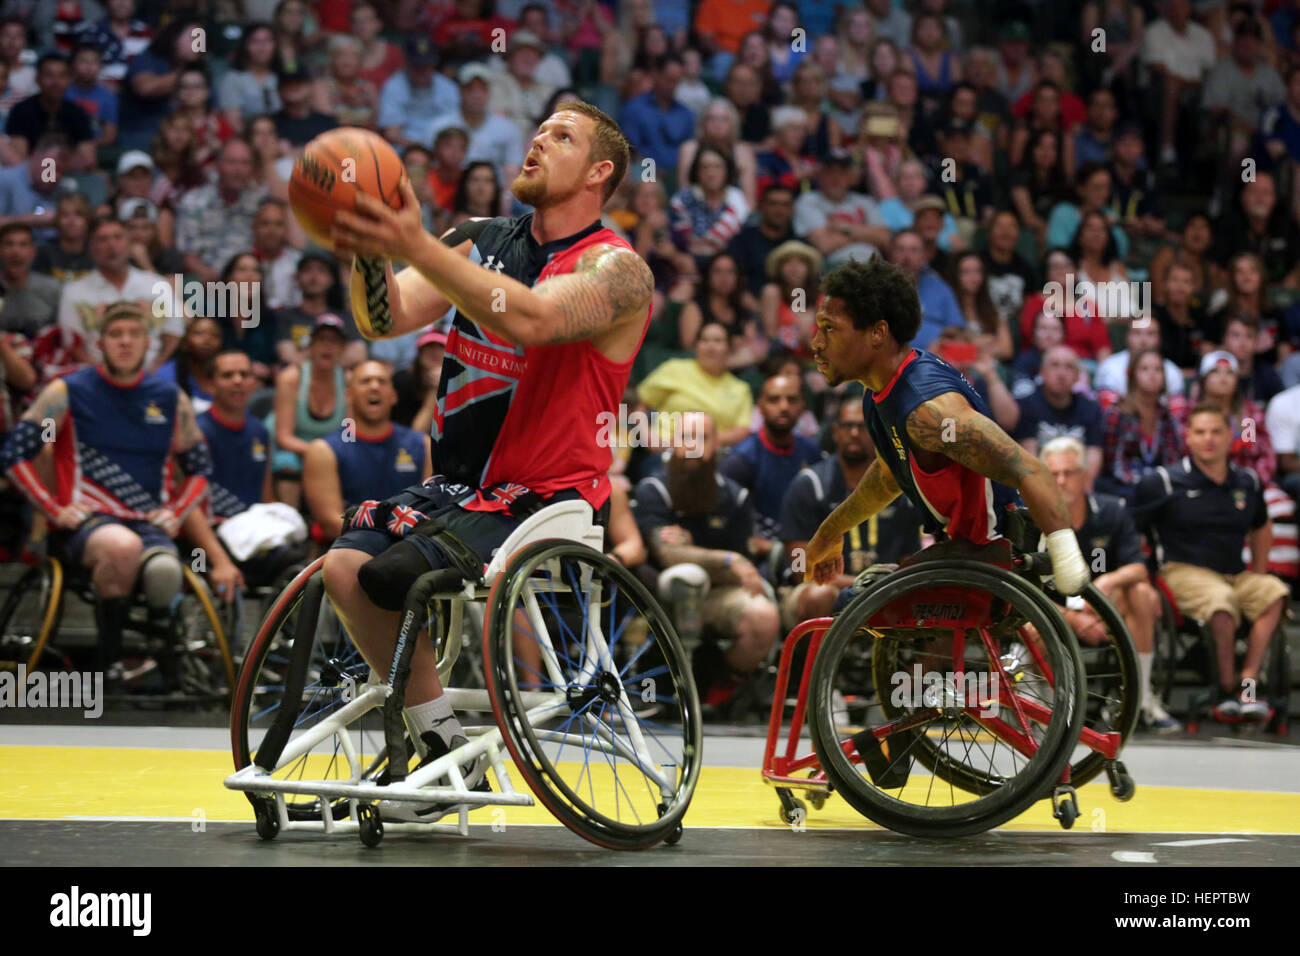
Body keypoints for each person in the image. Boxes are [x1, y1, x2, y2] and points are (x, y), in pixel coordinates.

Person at [320, 100, 654, 819]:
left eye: (561, 137)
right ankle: (443, 748)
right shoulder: (478, 240)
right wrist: (369, 242)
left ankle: (437, 755)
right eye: (538, 129)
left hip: (547, 496)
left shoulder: (618, 269)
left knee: (394, 575)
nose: (538, 139)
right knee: (345, 566)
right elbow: (382, 319)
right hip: (461, 487)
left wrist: (415, 242)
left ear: (600, 172)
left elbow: (530, 317)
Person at [801, 256, 1090, 600]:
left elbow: (1030, 468)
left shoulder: (930, 411)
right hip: (959, 551)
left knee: (854, 601)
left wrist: (1067, 558)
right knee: (867, 602)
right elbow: (890, 475)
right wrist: (830, 532)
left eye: (829, 328)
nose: (816, 343)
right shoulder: (883, 388)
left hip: (991, 554)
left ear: (878, 333)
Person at [0, 301, 217, 683]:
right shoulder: (67, 389)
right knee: (122, 548)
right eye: (116, 335)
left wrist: (177, 512)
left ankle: (163, 664)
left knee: (166, 572)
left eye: (134, 335)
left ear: (148, 343)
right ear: (99, 343)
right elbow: (14, 455)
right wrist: (52, 508)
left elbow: (200, 469)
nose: (125, 343)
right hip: (86, 522)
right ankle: (108, 663)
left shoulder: (169, 397)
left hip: (148, 522)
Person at [1136, 404, 1289, 722]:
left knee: (1274, 590)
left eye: (1217, 431)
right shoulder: (1163, 481)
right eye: (1200, 432)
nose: (1209, 439)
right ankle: (1225, 690)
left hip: (1235, 573)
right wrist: (1141, 579)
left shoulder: (1247, 481)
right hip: (1181, 571)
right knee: (1222, 603)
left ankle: (1248, 687)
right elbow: (1130, 530)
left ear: (1231, 436)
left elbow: (1261, 525)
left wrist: (1258, 570)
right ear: (1187, 438)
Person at [635, 411, 780, 714]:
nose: (694, 447)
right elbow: (667, 555)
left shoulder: (735, 496)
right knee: (686, 574)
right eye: (686, 438)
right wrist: (727, 559)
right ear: (673, 442)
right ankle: (660, 688)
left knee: (763, 615)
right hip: (661, 596)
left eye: (702, 438)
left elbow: (745, 571)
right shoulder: (654, 490)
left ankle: (719, 685)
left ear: (717, 444)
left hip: (718, 594)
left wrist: (701, 553)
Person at [1041, 436, 1180, 733]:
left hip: (1103, 608)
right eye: (1054, 474)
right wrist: (1073, 619)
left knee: (1141, 593)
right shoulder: (1033, 518)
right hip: (1052, 612)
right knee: (1027, 623)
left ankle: (1140, 697)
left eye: (1069, 473)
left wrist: (1108, 579)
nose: (1062, 481)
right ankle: (1044, 708)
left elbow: (1139, 568)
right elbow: (1022, 590)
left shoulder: (1110, 510)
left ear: (1085, 475)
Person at [303, 359, 432, 542]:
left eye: (382, 381)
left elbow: (431, 512)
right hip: (345, 552)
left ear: (393, 396)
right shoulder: (323, 450)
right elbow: (331, 523)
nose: (374, 387)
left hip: (409, 551)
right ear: (349, 395)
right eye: (365, 381)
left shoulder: (422, 445)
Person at [57, 214, 181, 372]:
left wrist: (155, 368)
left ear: (130, 245)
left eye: (118, 237)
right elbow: (73, 345)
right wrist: (104, 377)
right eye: (103, 240)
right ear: (91, 248)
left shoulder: (157, 284)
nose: (111, 245)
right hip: (97, 377)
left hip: (153, 373)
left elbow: (173, 334)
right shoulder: (74, 291)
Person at [720, 372, 822, 562]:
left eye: (792, 400)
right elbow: (724, 525)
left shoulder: (813, 453)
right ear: (760, 406)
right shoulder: (740, 460)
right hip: (760, 560)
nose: (784, 407)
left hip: (805, 551)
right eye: (774, 400)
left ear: (803, 407)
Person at [269, 312, 349, 506]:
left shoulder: (349, 382)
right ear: (310, 346)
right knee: (286, 463)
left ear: (342, 349)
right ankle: (290, 524)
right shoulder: (291, 378)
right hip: (292, 450)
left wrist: (335, 455)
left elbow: (350, 433)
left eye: (335, 341)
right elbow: (284, 437)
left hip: (331, 452)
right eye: (321, 339)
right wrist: (321, 454)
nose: (328, 346)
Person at [636, 321, 755, 448]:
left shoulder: (740, 389)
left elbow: (742, 429)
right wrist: (649, 437)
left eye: (718, 341)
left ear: (729, 348)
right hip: (667, 449)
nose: (711, 346)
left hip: (715, 455)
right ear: (696, 346)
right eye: (704, 340)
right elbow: (640, 408)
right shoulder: (674, 369)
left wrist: (701, 440)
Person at [1097, 348, 1185, 500]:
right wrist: (1143, 483)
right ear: (1132, 375)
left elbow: (1173, 460)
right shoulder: (1117, 413)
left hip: (1160, 489)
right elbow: (1113, 464)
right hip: (1123, 489)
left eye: (1157, 369)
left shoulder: (1167, 416)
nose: (1152, 374)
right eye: (1144, 369)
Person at [1014, 345, 1105, 480]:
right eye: (1054, 366)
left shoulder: (1091, 408)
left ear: (1077, 376)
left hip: (1078, 482)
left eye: (1069, 367)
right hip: (1039, 483)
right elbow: (1029, 460)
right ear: (1042, 372)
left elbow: (1093, 457)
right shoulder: (1027, 406)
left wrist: (1078, 489)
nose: (1061, 374)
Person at [0, 221, 59, 338]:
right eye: (9, 244)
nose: (15, 251)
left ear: (33, 251)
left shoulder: (53, 289)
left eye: (23, 244)